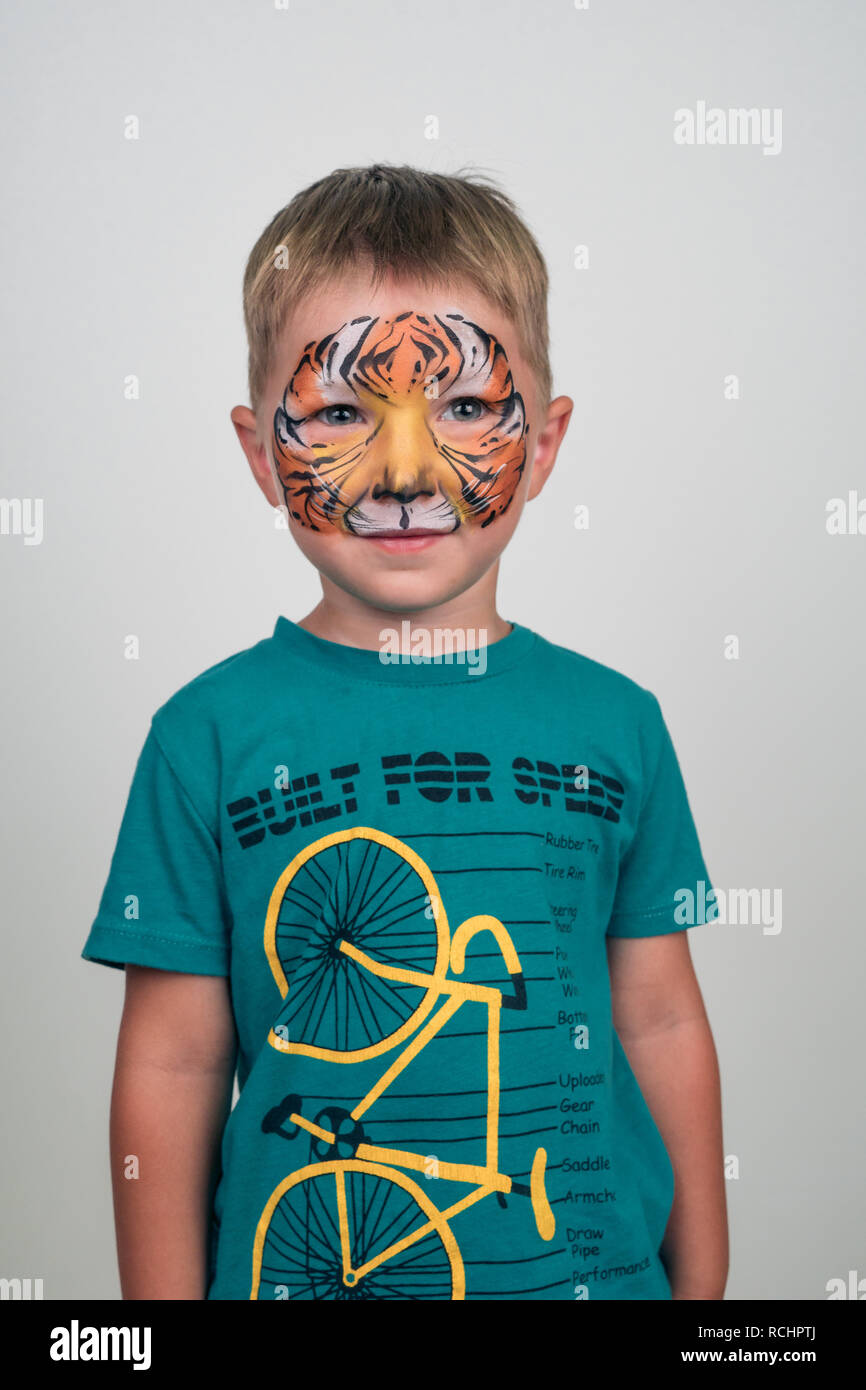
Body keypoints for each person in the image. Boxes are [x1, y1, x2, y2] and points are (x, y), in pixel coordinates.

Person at [82, 163, 728, 1301]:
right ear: (255, 454)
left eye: (468, 407)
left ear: (542, 443)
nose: (403, 472)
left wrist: (704, 1281)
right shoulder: (205, 735)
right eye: (338, 412)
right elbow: (174, 1062)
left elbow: (660, 1014)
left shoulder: (616, 723)